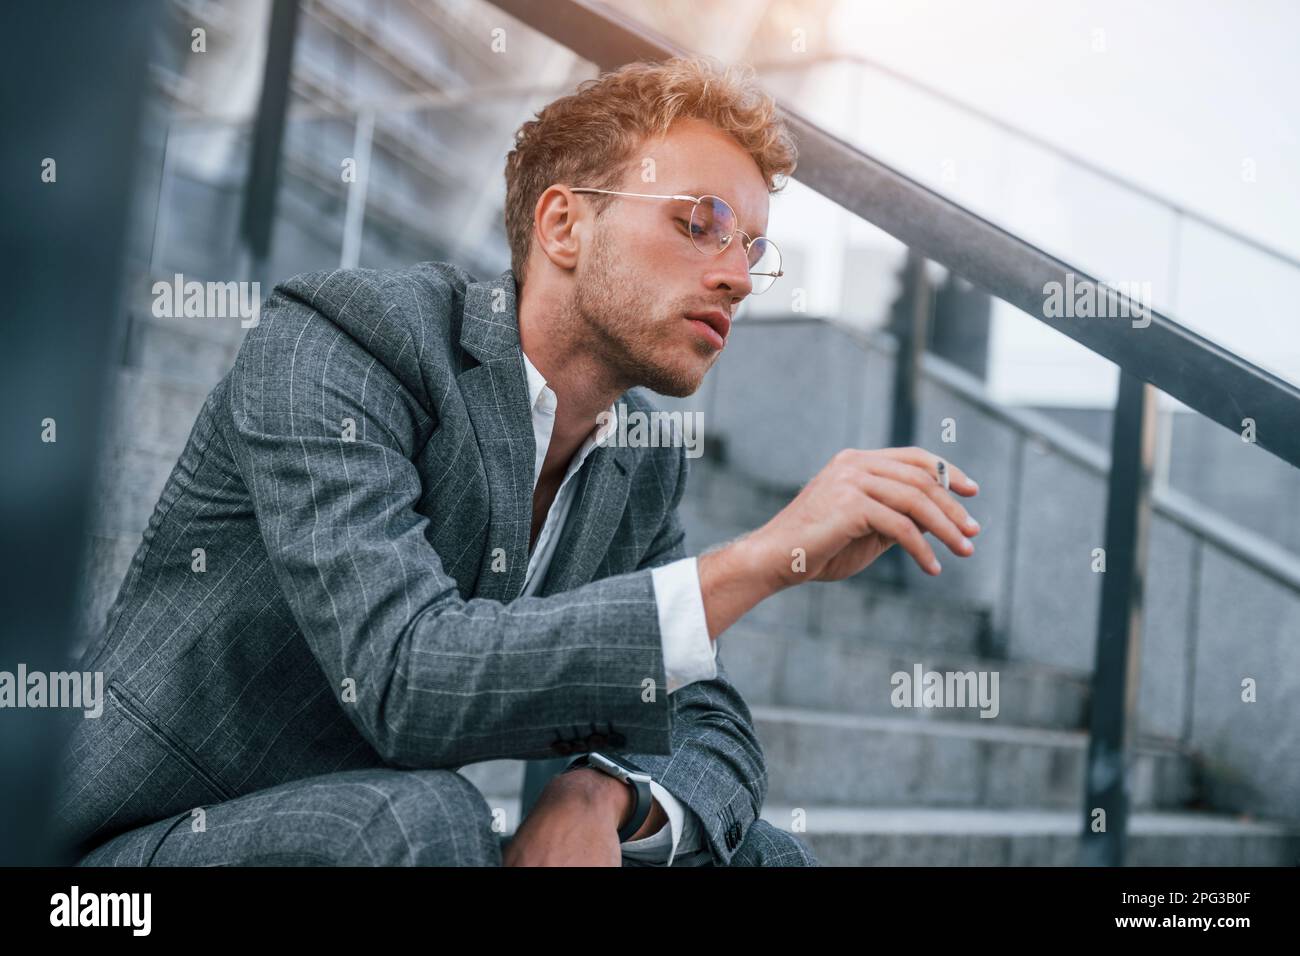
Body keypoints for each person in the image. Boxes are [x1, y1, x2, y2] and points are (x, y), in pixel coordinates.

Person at [56, 55, 979, 868]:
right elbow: (403, 676)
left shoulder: (638, 462)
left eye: (753, 247)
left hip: (386, 834)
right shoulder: (348, 342)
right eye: (701, 222)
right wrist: (761, 559)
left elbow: (709, 723)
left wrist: (604, 796)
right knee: (426, 819)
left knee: (764, 856)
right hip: (141, 845)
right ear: (565, 226)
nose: (738, 276)